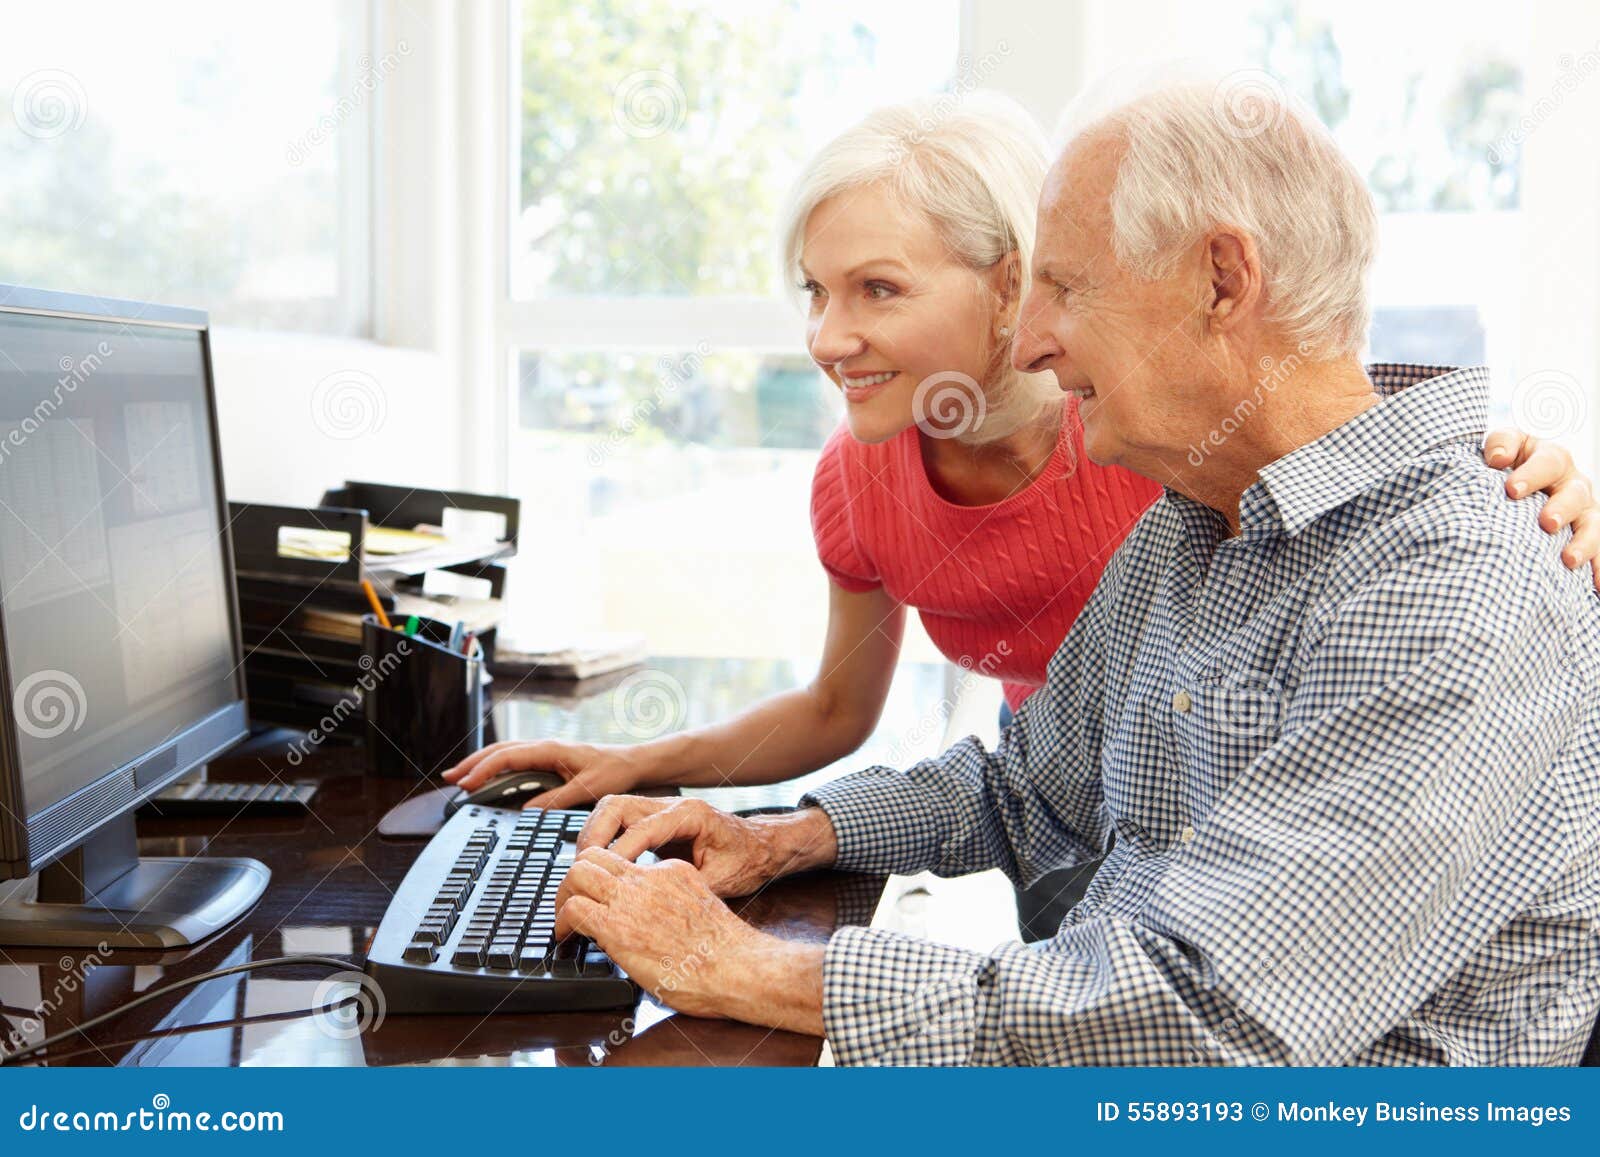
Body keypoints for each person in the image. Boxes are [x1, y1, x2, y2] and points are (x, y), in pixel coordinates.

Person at [543, 76, 1600, 1066]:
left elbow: (1201, 1009)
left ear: (1222, 281)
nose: (1033, 339)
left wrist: (756, 968)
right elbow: (1023, 785)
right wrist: (781, 838)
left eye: (1063, 287)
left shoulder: (1448, 581)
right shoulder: (1188, 526)